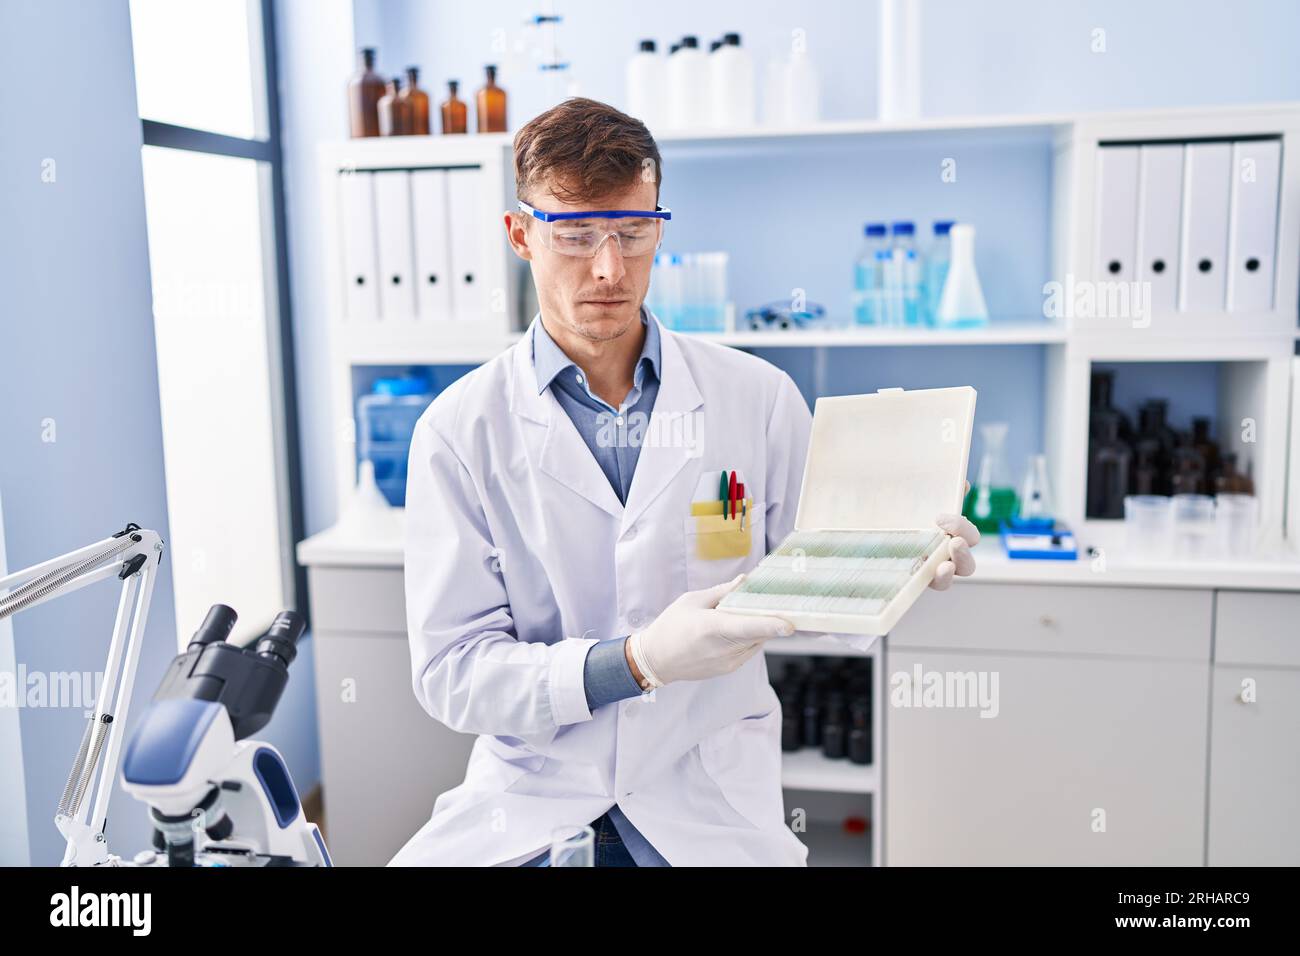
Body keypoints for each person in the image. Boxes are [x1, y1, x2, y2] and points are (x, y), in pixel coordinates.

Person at [388, 98, 978, 867]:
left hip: (708, 802)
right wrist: (636, 662)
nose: (609, 268)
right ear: (520, 234)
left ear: (660, 227)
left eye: (633, 234)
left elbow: (820, 607)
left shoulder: (756, 397)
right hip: (534, 798)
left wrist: (899, 564)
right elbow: (452, 675)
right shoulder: (459, 430)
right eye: (574, 236)